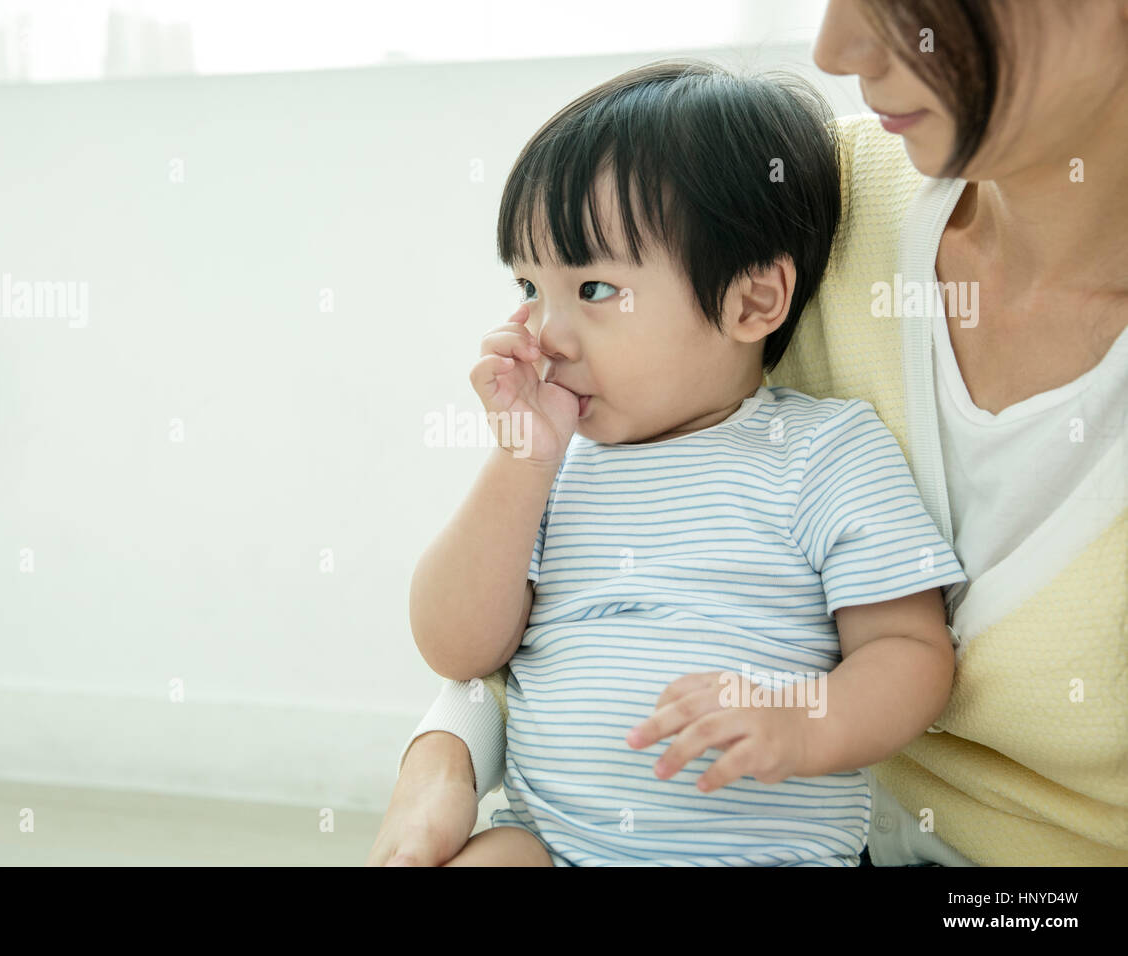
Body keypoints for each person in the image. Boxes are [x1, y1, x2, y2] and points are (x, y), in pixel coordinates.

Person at [370, 0, 1128, 867]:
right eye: (528, 287)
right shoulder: (562, 467)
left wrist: (807, 723)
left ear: (756, 302)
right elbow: (459, 649)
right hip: (554, 839)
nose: (545, 332)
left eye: (593, 292)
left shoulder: (822, 454)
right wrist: (518, 467)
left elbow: (906, 651)